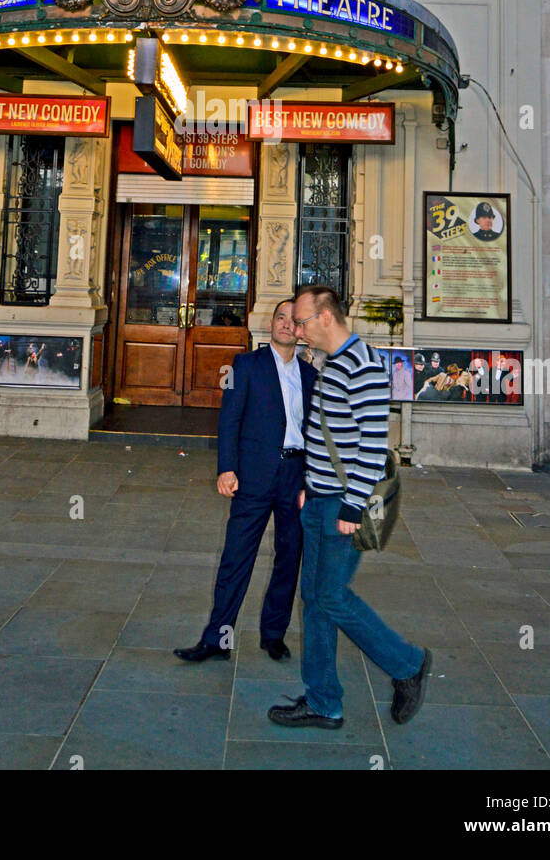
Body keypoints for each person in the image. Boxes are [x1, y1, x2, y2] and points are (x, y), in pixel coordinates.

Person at [268, 286, 430, 730]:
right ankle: (323, 701)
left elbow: (371, 447)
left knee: (332, 597)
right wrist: (310, 485)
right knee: (314, 600)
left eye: (301, 321)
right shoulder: (332, 361)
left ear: (325, 317)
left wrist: (352, 509)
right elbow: (329, 437)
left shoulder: (363, 366)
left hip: (342, 507)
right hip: (318, 500)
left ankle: (408, 664)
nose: (296, 330)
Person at [174, 297, 317, 664]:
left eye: (294, 320)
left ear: (302, 330)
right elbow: (229, 420)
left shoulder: (310, 375)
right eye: (280, 317)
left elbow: (316, 431)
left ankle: (273, 635)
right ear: (271, 324)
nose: (286, 324)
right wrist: (227, 468)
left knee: (289, 558)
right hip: (253, 475)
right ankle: (217, 640)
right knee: (237, 557)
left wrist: (312, 480)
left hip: (295, 476)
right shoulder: (245, 365)